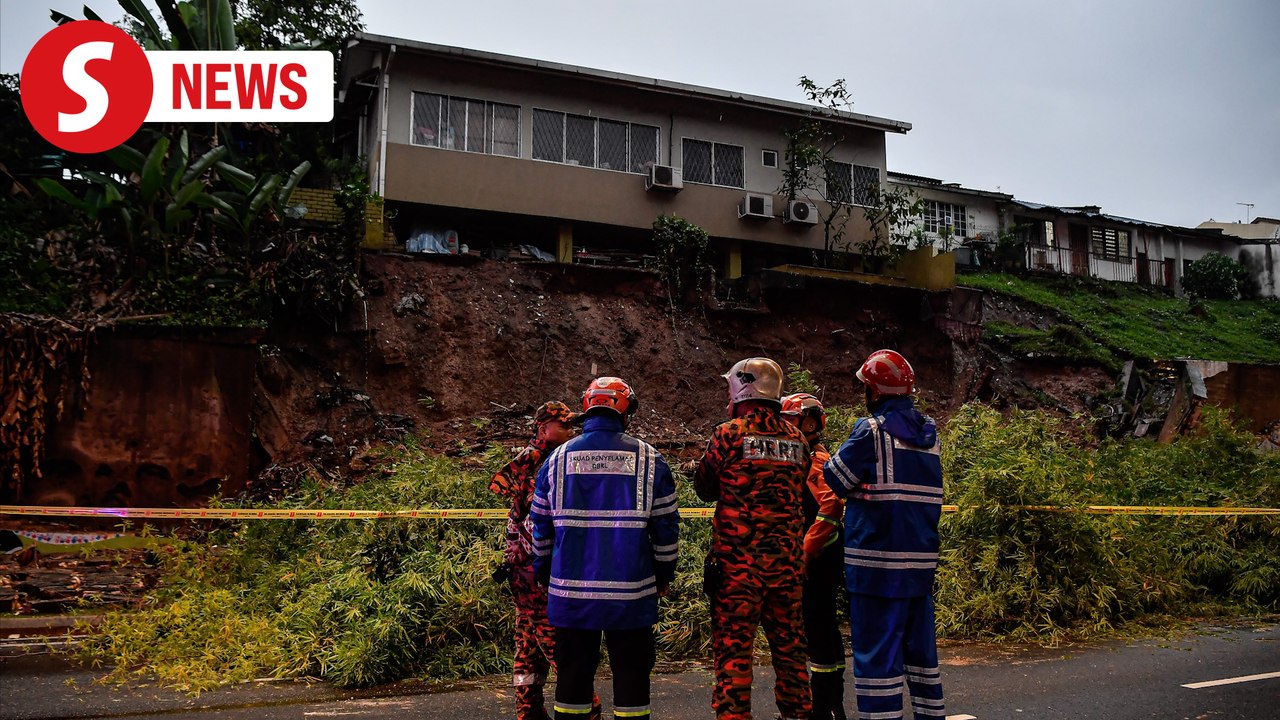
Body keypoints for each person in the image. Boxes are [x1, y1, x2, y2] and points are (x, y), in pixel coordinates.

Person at [530, 377, 679, 720]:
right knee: (631, 680)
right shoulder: (650, 459)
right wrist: (663, 573)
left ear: (586, 407)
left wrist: (542, 571)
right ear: (627, 412)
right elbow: (667, 528)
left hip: (570, 597)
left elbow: (540, 526)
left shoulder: (557, 460)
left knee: (572, 680)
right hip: (631, 597)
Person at [823, 350, 946, 720]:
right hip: (919, 570)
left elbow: (835, 478)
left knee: (877, 661)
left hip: (876, 570)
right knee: (922, 660)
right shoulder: (930, 434)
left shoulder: (870, 431)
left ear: (874, 392)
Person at [695, 358, 811, 720]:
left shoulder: (729, 434)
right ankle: (796, 714)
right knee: (791, 652)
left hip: (737, 571)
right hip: (787, 568)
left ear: (740, 388)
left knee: (733, 656)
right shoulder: (797, 439)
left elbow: (704, 488)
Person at [490, 401, 600, 720]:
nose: (571, 431)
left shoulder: (544, 460)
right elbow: (536, 521)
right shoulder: (542, 464)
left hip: (525, 576)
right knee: (561, 653)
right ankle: (589, 712)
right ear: (543, 429)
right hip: (537, 577)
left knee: (527, 653)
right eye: (564, 426)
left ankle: (529, 714)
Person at [780, 393, 847, 720]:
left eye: (790, 420)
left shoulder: (815, 459)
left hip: (818, 560)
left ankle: (822, 709)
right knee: (824, 631)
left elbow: (831, 506)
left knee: (817, 631)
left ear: (808, 422)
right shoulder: (805, 455)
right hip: (821, 556)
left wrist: (804, 553)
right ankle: (832, 705)